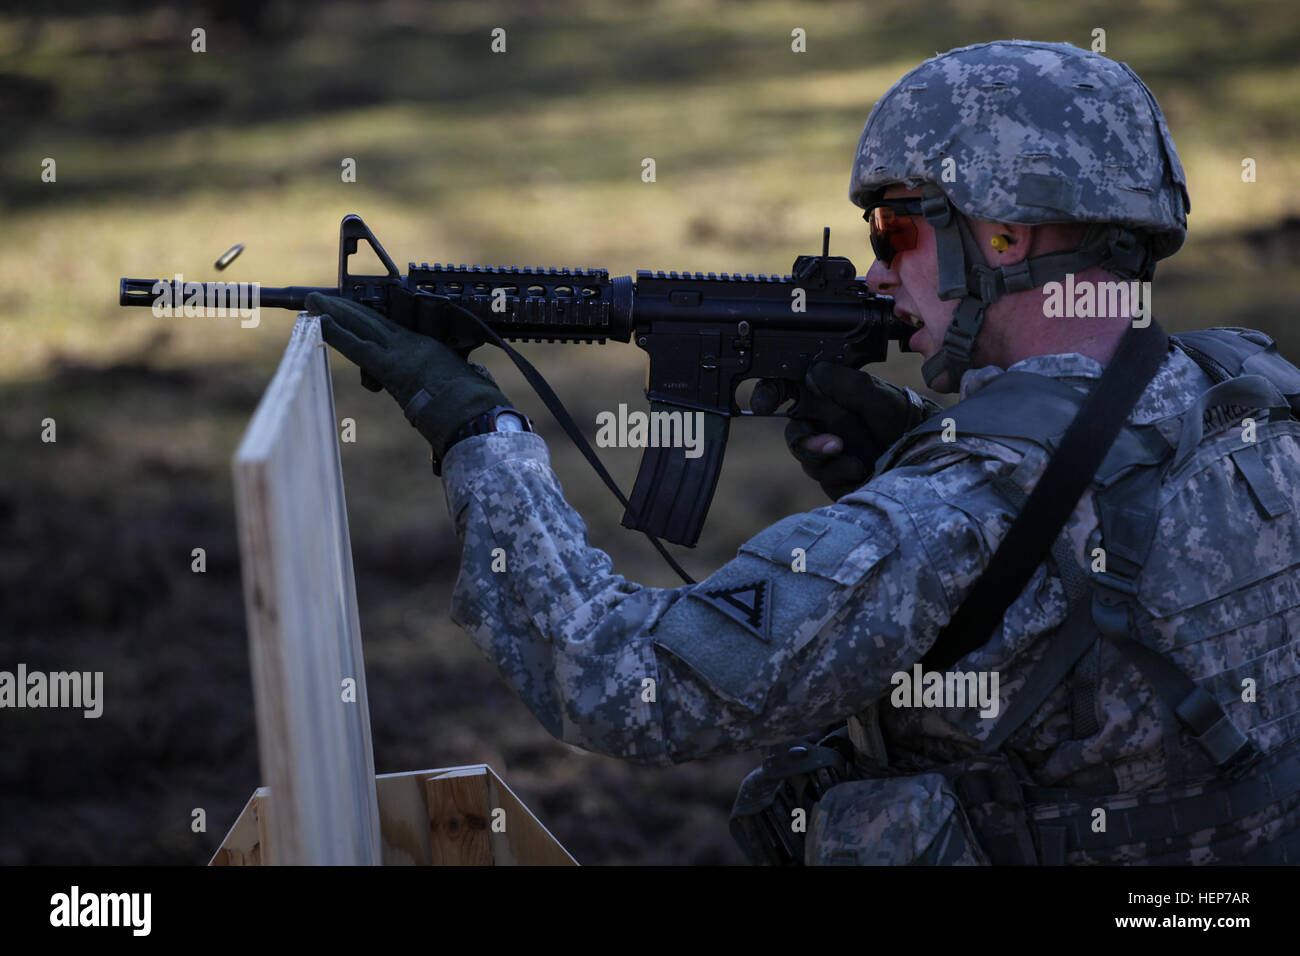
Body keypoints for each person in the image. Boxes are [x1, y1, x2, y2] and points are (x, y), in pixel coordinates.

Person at [306, 40, 1300, 865]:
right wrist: (913, 447)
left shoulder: (944, 519)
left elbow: (612, 682)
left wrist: (480, 436)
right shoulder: (1252, 398)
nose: (873, 269)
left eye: (897, 225)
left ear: (1004, 238)